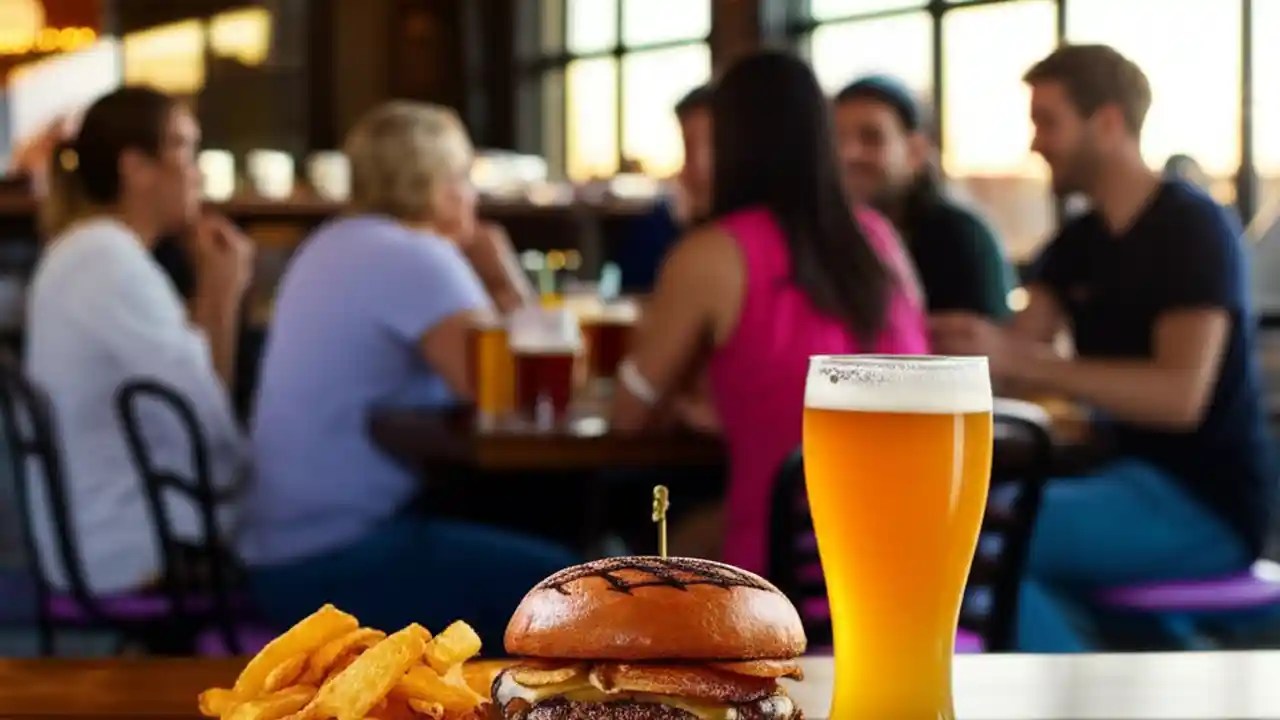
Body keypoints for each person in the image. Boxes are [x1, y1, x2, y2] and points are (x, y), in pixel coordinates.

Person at [931, 45, 1278, 652]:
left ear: (1108, 122)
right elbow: (1012, 357)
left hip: (1205, 501)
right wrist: (951, 346)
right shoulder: (1079, 241)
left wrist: (1024, 362)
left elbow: (1180, 398)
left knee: (988, 538)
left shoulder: (1192, 227)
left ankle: (1093, 689)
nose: (1036, 143)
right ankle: (1138, 671)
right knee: (988, 541)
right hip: (1119, 480)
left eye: (1048, 122)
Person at [242, 101, 572, 645]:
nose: (472, 194)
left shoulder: (329, 242)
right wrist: (502, 274)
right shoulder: (416, 255)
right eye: (464, 176)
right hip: (332, 563)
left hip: (277, 552)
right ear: (438, 187)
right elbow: (508, 391)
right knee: (564, 587)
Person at [611, 52, 929, 576]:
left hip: (787, 583)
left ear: (732, 144)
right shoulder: (880, 240)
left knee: (629, 555)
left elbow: (628, 416)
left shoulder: (713, 253)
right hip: (912, 567)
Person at [25, 87, 251, 594]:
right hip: (134, 546)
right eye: (185, 148)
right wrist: (222, 295)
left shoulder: (83, 251)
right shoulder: (109, 263)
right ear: (136, 167)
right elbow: (210, 436)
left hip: (91, 537)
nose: (198, 172)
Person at [835, 75, 1014, 319]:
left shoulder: (960, 236)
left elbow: (975, 337)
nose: (848, 154)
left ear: (915, 152)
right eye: (836, 139)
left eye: (871, 138)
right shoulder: (820, 235)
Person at [617, 84, 714, 293]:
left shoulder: (750, 242)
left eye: (693, 148)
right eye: (686, 149)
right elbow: (632, 291)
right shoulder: (661, 224)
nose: (686, 172)